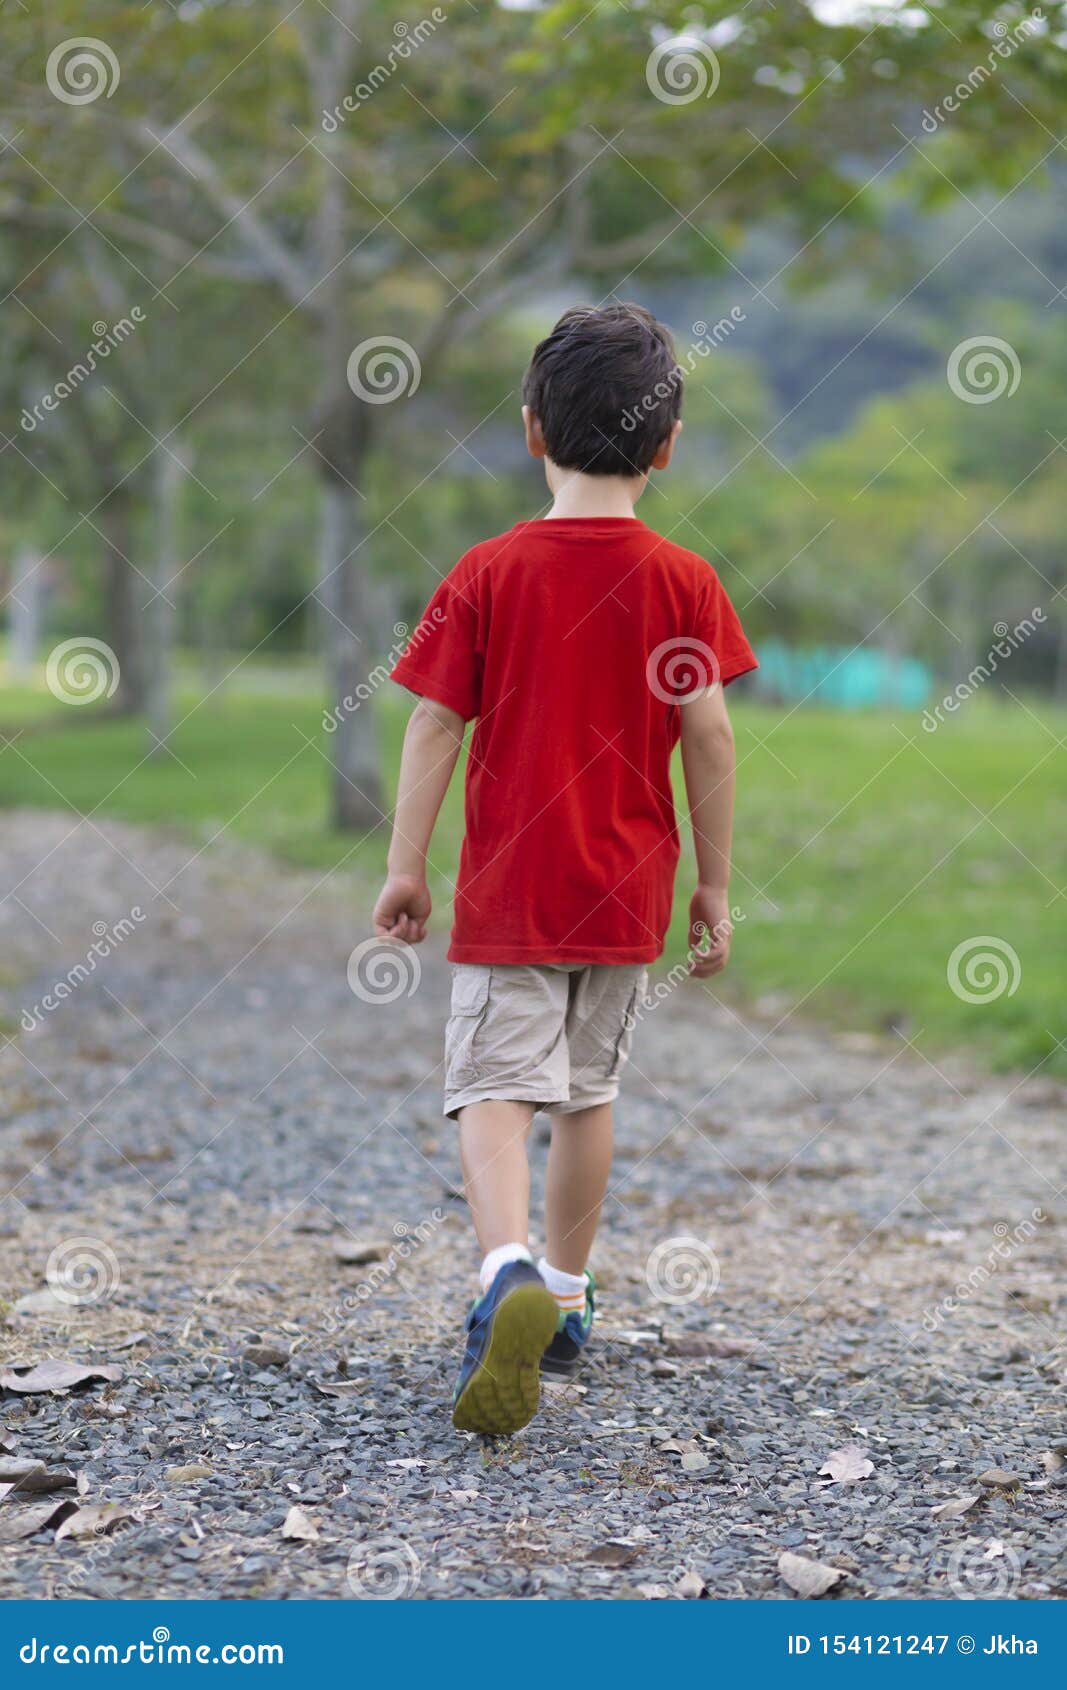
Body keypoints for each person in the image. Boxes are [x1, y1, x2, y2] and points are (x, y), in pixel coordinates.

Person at [373, 303, 757, 1435]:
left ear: (530, 429)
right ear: (668, 445)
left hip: (512, 893)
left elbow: (435, 725)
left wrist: (407, 867)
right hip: (625, 893)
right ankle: (572, 1300)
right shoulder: (682, 581)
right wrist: (712, 886)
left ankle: (504, 1272)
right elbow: (711, 736)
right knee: (588, 1093)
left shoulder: (489, 571)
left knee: (494, 1088)